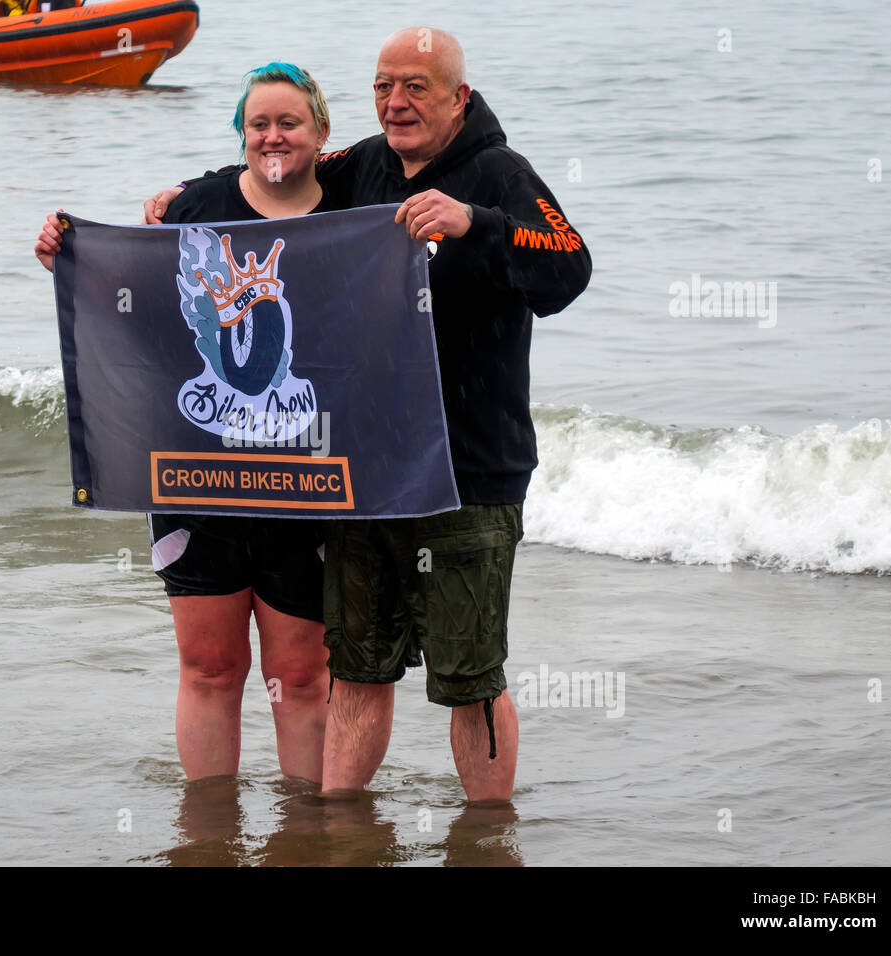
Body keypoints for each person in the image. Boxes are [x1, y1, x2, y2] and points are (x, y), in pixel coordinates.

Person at [144, 29, 592, 804]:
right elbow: (282, 165)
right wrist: (183, 195)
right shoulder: (366, 165)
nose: (396, 101)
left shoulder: (500, 173)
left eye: (417, 86)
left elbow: (568, 263)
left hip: (468, 473)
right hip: (363, 473)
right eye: (385, 85)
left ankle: (487, 839)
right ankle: (334, 832)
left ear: (459, 95)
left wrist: (475, 223)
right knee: (355, 668)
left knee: (469, 679)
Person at [35, 63, 343, 783]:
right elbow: (137, 301)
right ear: (240, 136)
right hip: (199, 476)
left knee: (300, 674)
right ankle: (207, 836)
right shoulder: (194, 207)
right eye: (258, 124)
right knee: (210, 666)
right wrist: (69, 257)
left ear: (321, 133)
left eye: (289, 122)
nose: (273, 137)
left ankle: (310, 838)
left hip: (313, 484)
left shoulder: (353, 213)